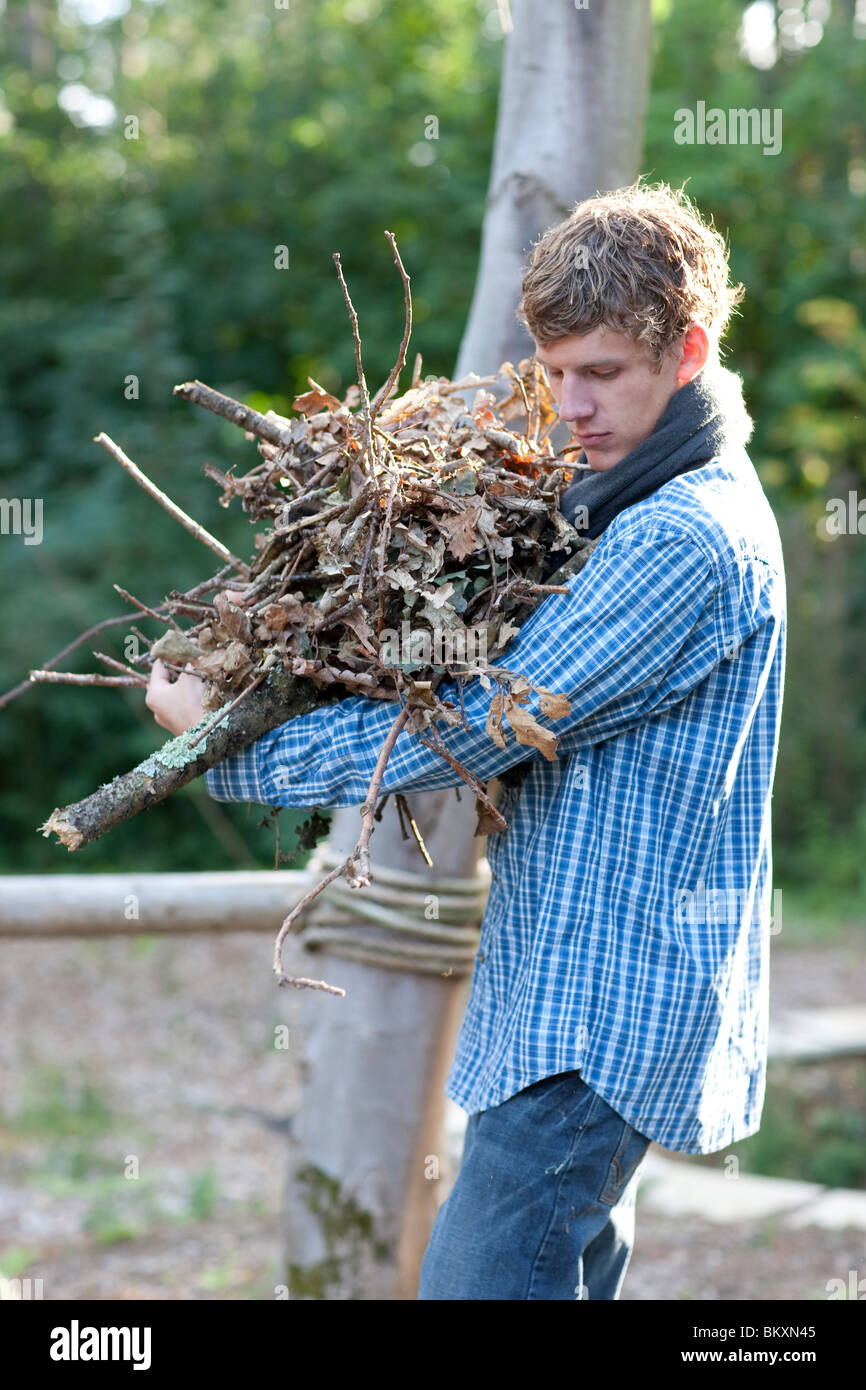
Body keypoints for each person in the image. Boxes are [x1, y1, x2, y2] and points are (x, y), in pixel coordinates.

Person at [146, 181, 787, 1301]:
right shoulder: (640, 497)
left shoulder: (681, 535)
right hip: (576, 1002)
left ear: (685, 350)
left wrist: (222, 745)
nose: (570, 404)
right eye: (553, 371)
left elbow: (473, 728)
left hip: (598, 1013)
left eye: (601, 373)